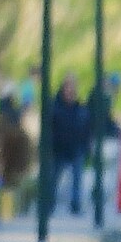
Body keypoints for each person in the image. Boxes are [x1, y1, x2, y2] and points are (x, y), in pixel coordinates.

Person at [51, 74, 92, 216]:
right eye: (68, 88)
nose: (70, 92)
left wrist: (86, 146)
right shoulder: (55, 107)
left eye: (73, 88)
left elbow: (86, 128)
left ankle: (76, 205)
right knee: (53, 179)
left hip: (76, 148)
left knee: (76, 179)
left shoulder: (80, 108)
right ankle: (49, 205)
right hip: (59, 149)